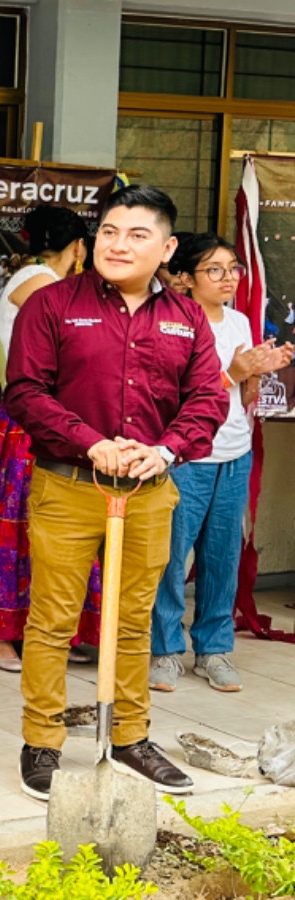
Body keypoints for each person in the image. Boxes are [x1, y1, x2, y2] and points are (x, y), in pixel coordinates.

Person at [8, 185, 227, 801]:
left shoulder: (186, 318)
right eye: (108, 231)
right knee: (51, 622)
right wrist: (90, 442)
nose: (118, 244)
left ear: (167, 247)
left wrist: (164, 449)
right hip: (70, 486)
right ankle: (41, 744)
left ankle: (129, 738)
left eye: (136, 235)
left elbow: (208, 399)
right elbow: (25, 390)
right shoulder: (51, 304)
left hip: (150, 490)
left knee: (133, 622)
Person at [0, 206, 101, 672]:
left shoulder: (47, 279)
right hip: (29, 425)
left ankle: (52, 627)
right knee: (15, 527)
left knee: (62, 533)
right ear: (79, 247)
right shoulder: (37, 281)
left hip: (68, 424)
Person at [151, 233, 294, 693]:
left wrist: (259, 370)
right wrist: (234, 372)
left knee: (222, 557)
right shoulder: (171, 322)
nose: (228, 278)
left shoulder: (238, 321)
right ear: (186, 278)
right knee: (171, 559)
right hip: (187, 455)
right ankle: (166, 651)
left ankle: (213, 649)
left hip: (234, 452)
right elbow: (173, 393)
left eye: (233, 268)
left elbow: (242, 395)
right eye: (215, 269)